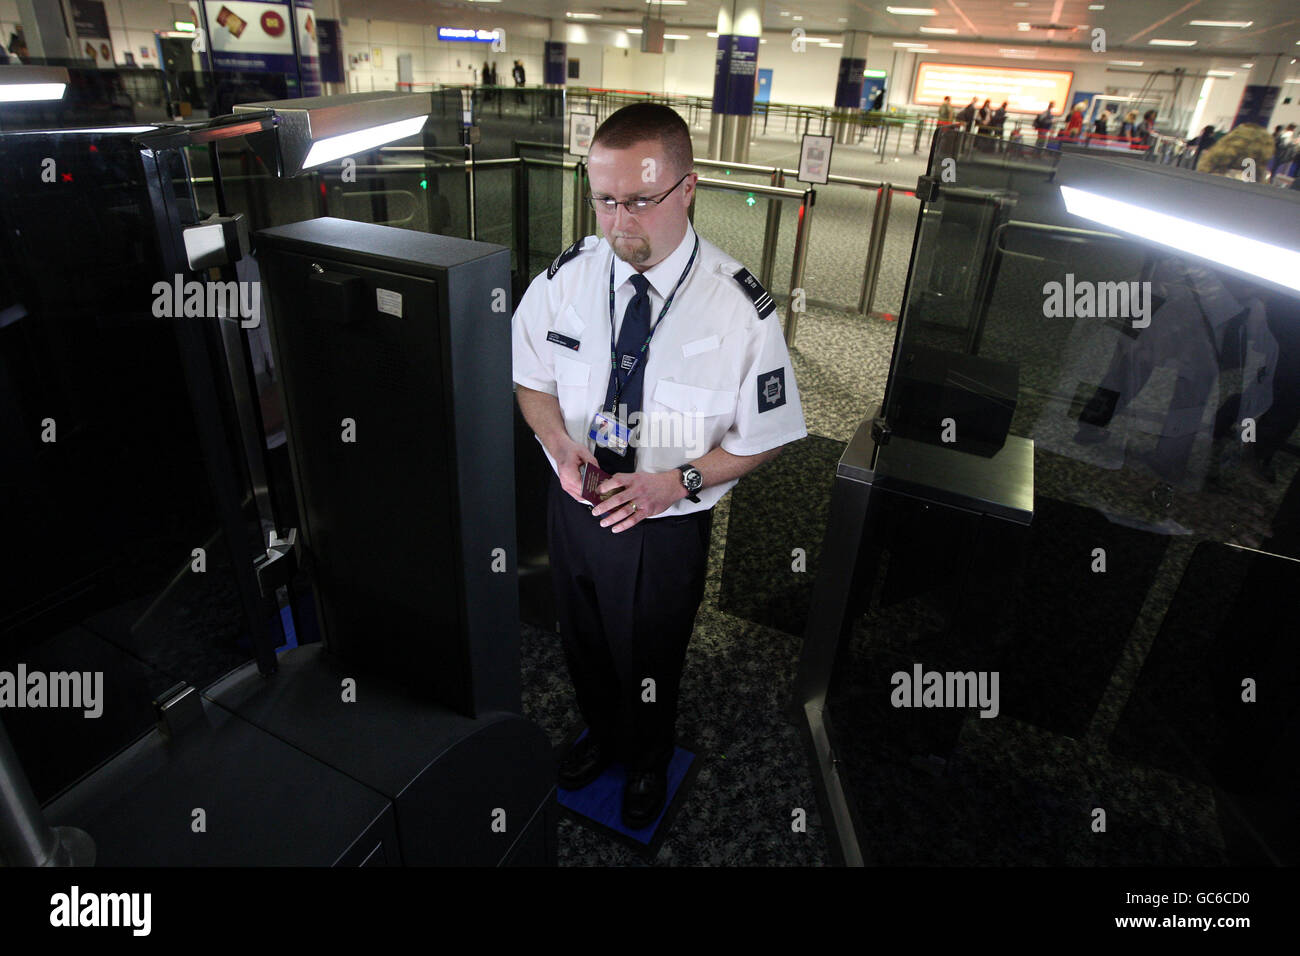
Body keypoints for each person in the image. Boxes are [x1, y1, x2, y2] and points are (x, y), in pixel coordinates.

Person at [511, 103, 806, 829]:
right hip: (575, 505)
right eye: (605, 200)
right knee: (580, 643)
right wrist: (556, 443)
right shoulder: (569, 276)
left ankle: (645, 755)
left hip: (667, 524)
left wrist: (676, 482)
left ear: (687, 188)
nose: (619, 223)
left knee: (650, 659)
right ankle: (602, 734)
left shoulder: (740, 308)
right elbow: (531, 378)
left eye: (639, 201)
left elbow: (768, 436)